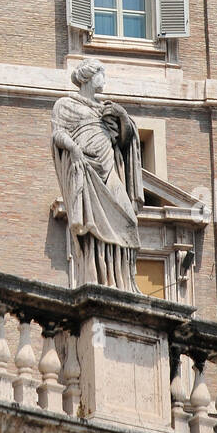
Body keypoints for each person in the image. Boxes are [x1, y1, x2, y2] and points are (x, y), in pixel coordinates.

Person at [51, 58, 144, 292]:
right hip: (86, 167)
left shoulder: (106, 109)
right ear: (89, 77)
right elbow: (58, 134)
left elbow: (125, 141)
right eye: (102, 73)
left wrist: (122, 117)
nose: (105, 79)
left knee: (128, 220)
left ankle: (124, 281)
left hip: (109, 167)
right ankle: (98, 277)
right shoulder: (65, 105)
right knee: (93, 226)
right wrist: (73, 149)